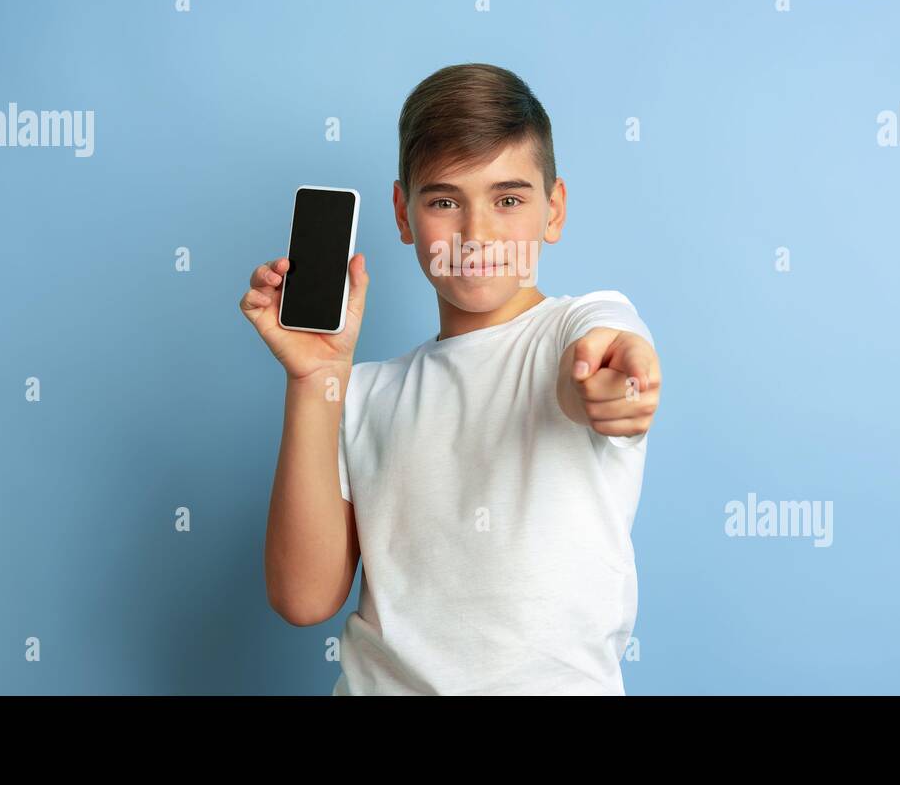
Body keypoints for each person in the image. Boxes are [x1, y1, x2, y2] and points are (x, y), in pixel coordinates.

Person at [240, 63, 662, 694]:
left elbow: (603, 356)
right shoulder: (359, 395)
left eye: (509, 199)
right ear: (403, 216)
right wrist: (315, 378)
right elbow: (303, 599)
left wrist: (614, 384)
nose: (477, 233)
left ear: (554, 209)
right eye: (444, 201)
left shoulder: (575, 328)